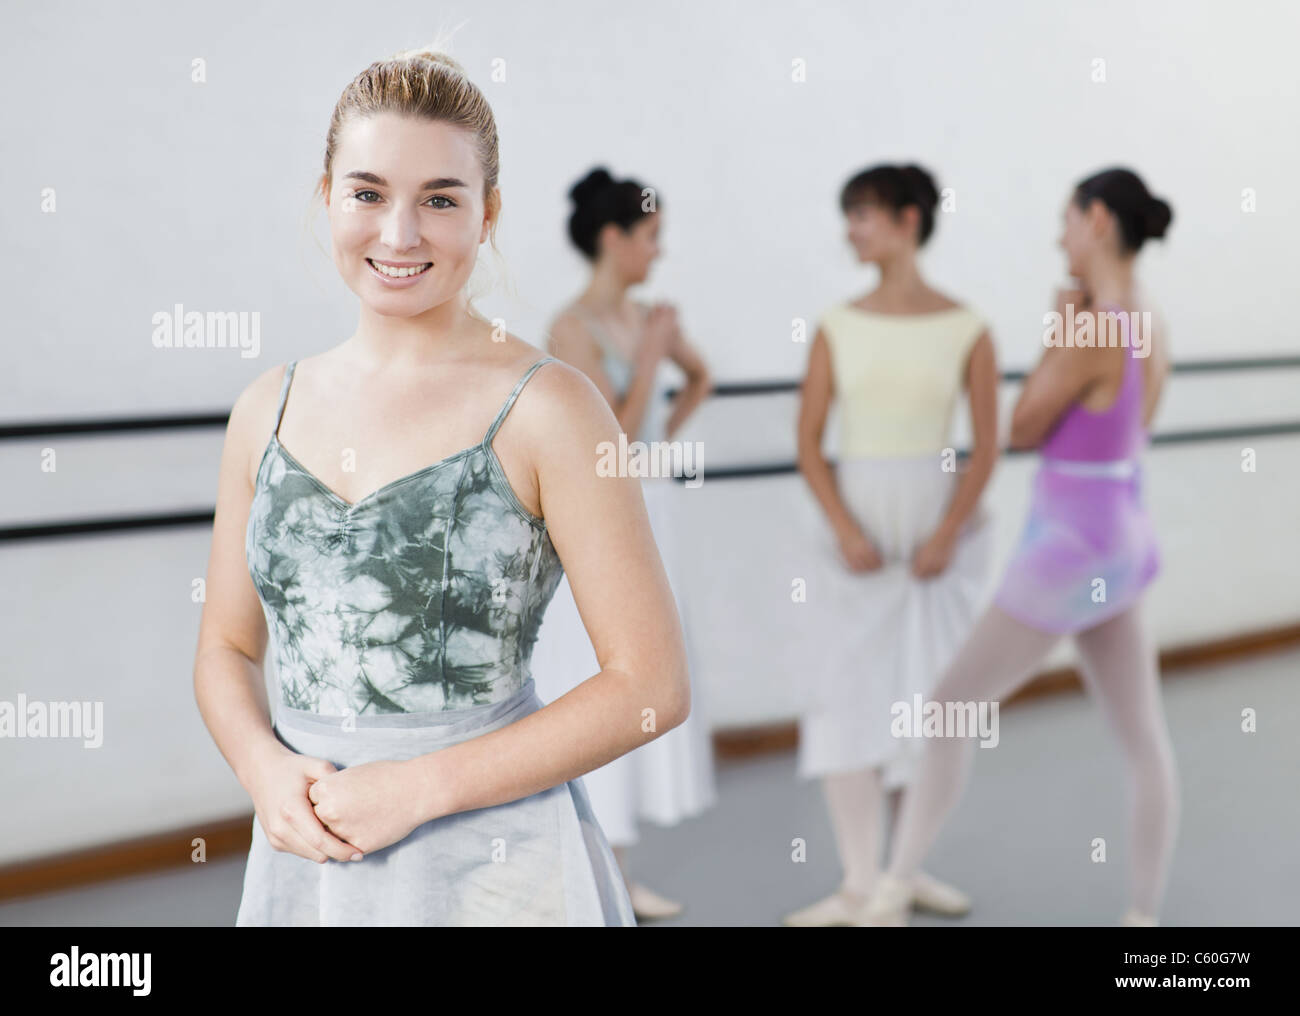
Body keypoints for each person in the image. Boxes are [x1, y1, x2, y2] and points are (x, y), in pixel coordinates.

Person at [192, 45, 690, 926]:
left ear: (488, 214)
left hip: (496, 867)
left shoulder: (551, 408)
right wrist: (262, 770)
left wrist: (416, 790)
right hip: (306, 861)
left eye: (441, 200)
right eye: (369, 193)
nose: (399, 234)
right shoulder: (264, 409)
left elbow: (651, 686)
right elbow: (227, 648)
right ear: (327, 197)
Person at [860, 167, 1178, 927]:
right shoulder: (1151, 318)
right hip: (1119, 541)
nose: (1057, 236)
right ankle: (1143, 917)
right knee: (1142, 736)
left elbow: (1026, 424)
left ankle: (893, 887)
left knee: (946, 709)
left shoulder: (1095, 323)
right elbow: (1135, 426)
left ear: (1097, 220)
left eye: (1066, 219)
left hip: (1067, 553)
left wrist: (1058, 328)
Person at [784, 163, 1001, 926]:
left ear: (909, 219)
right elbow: (809, 440)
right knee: (847, 698)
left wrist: (947, 532)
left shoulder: (968, 327)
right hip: (859, 530)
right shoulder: (837, 324)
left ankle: (902, 874)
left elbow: (986, 445)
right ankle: (858, 880)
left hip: (941, 536)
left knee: (935, 704)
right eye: (849, 216)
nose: (851, 231)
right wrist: (844, 526)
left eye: (864, 215)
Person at [531, 167, 717, 920]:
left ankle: (620, 868)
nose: (658, 253)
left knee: (653, 668)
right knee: (601, 673)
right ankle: (581, 870)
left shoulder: (649, 315)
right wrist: (649, 362)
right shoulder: (569, 328)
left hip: (653, 506)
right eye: (650, 237)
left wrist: (665, 442)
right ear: (613, 238)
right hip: (599, 521)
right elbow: (610, 431)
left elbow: (700, 378)